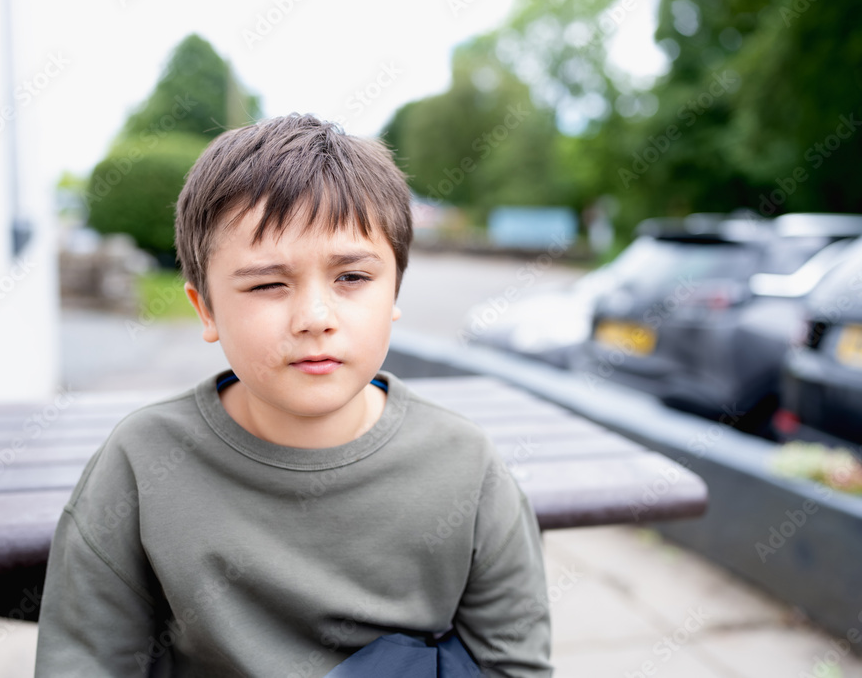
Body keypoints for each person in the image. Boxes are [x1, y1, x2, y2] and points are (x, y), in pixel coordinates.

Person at [34, 114, 552, 677]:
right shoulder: (141, 463)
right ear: (204, 307)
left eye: (352, 278)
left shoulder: (467, 468)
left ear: (395, 290)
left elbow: (515, 666)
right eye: (267, 284)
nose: (314, 318)